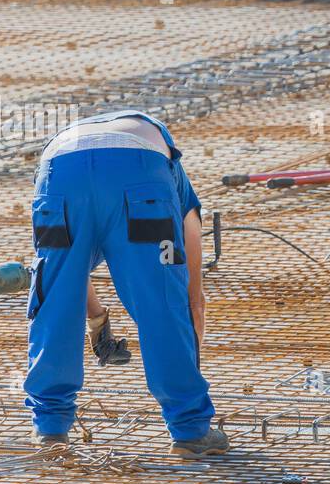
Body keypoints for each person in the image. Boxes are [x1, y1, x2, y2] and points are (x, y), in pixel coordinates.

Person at [24, 110, 228, 457]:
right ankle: (190, 430)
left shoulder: (75, 146)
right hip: (139, 173)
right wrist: (191, 321)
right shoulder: (175, 177)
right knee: (162, 304)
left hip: (61, 171)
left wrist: (97, 319)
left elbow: (67, 283)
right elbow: (191, 298)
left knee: (54, 298)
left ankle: (51, 430)